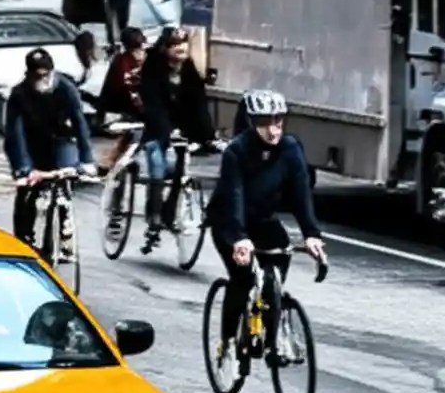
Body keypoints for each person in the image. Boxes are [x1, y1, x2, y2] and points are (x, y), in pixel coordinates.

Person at [205, 90, 325, 367]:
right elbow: (234, 195)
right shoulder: (236, 151)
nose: (273, 130)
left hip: (262, 221)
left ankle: (274, 336)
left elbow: (300, 194)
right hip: (229, 223)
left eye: (278, 121)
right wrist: (239, 240)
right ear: (251, 122)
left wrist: (312, 234)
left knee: (275, 271)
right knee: (242, 278)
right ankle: (228, 343)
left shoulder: (291, 149)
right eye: (265, 123)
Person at [136, 26, 220, 252]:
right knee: (157, 165)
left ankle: (170, 214)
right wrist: (165, 130)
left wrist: (208, 136)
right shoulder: (153, 68)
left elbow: (199, 103)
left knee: (181, 170)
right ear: (165, 48)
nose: (181, 48)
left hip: (182, 129)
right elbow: (152, 104)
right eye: (175, 44)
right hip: (157, 127)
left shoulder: (189, 70)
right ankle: (153, 217)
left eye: (183, 43)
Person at [4, 48, 96, 246]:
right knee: (26, 190)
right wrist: (22, 168)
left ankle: (65, 218)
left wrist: (87, 159)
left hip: (62, 138)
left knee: (64, 174)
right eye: (36, 76)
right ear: (28, 75)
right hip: (32, 142)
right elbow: (14, 134)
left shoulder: (66, 88)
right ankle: (22, 239)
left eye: (45, 75)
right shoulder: (19, 94)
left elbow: (79, 123)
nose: (41, 80)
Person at [97, 27, 148, 172]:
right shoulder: (122, 63)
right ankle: (112, 163)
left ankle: (111, 163)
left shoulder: (135, 61)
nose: (140, 54)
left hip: (130, 109)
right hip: (120, 110)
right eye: (137, 50)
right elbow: (126, 90)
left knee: (131, 139)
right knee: (134, 137)